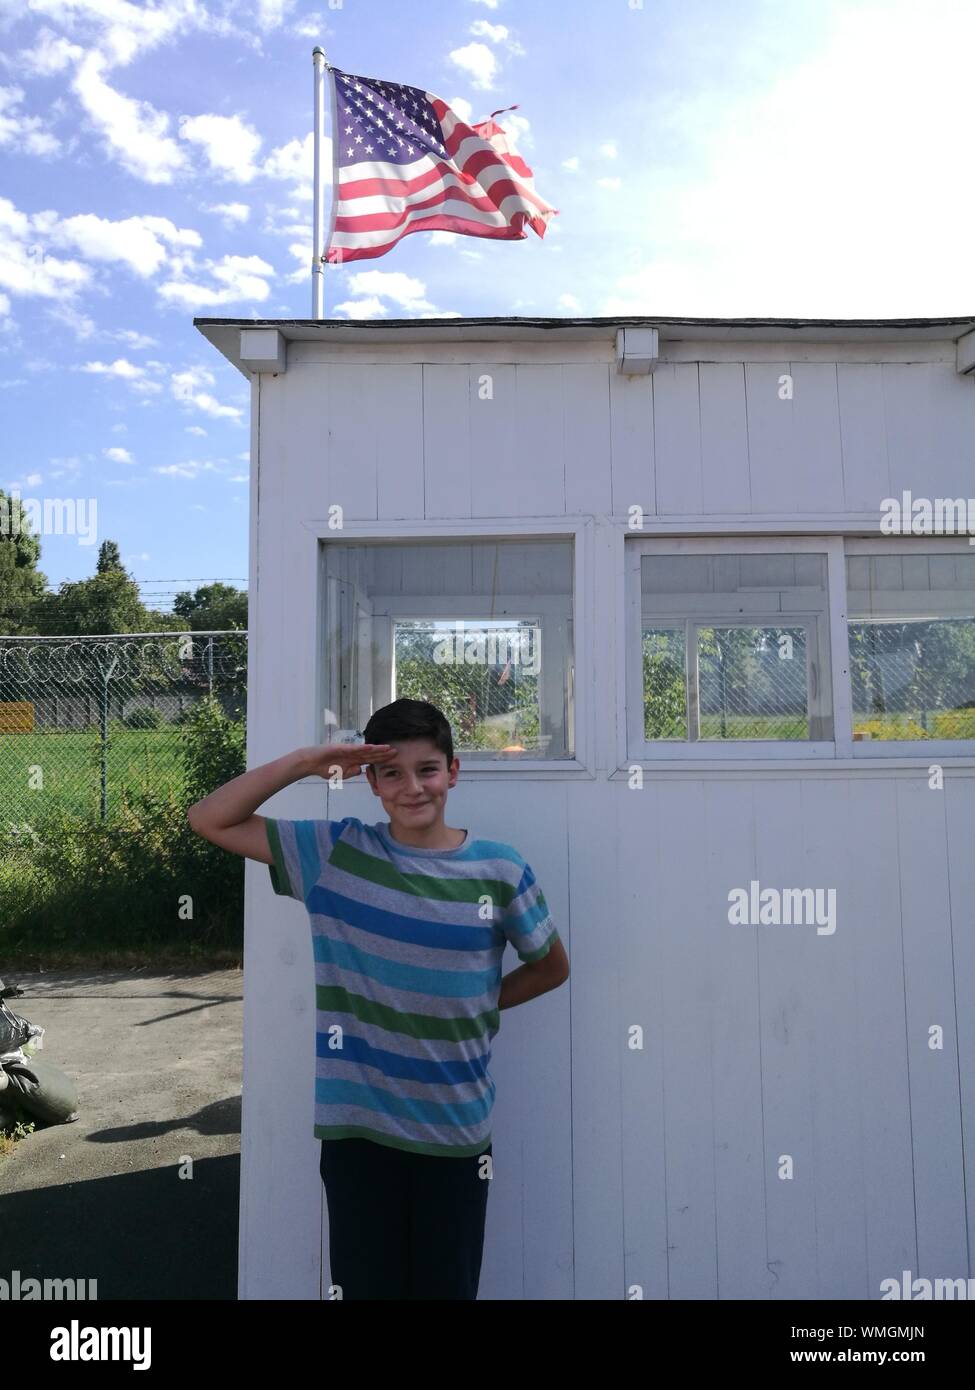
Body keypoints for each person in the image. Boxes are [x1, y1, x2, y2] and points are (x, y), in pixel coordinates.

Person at [186, 698, 569, 1300]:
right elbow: (210, 818)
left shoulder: (500, 869)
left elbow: (550, 967)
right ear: (369, 781)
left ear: (454, 771)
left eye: (428, 769)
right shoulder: (336, 854)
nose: (412, 787)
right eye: (392, 772)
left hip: (456, 1138)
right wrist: (307, 761)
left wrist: (476, 1003)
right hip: (359, 1140)